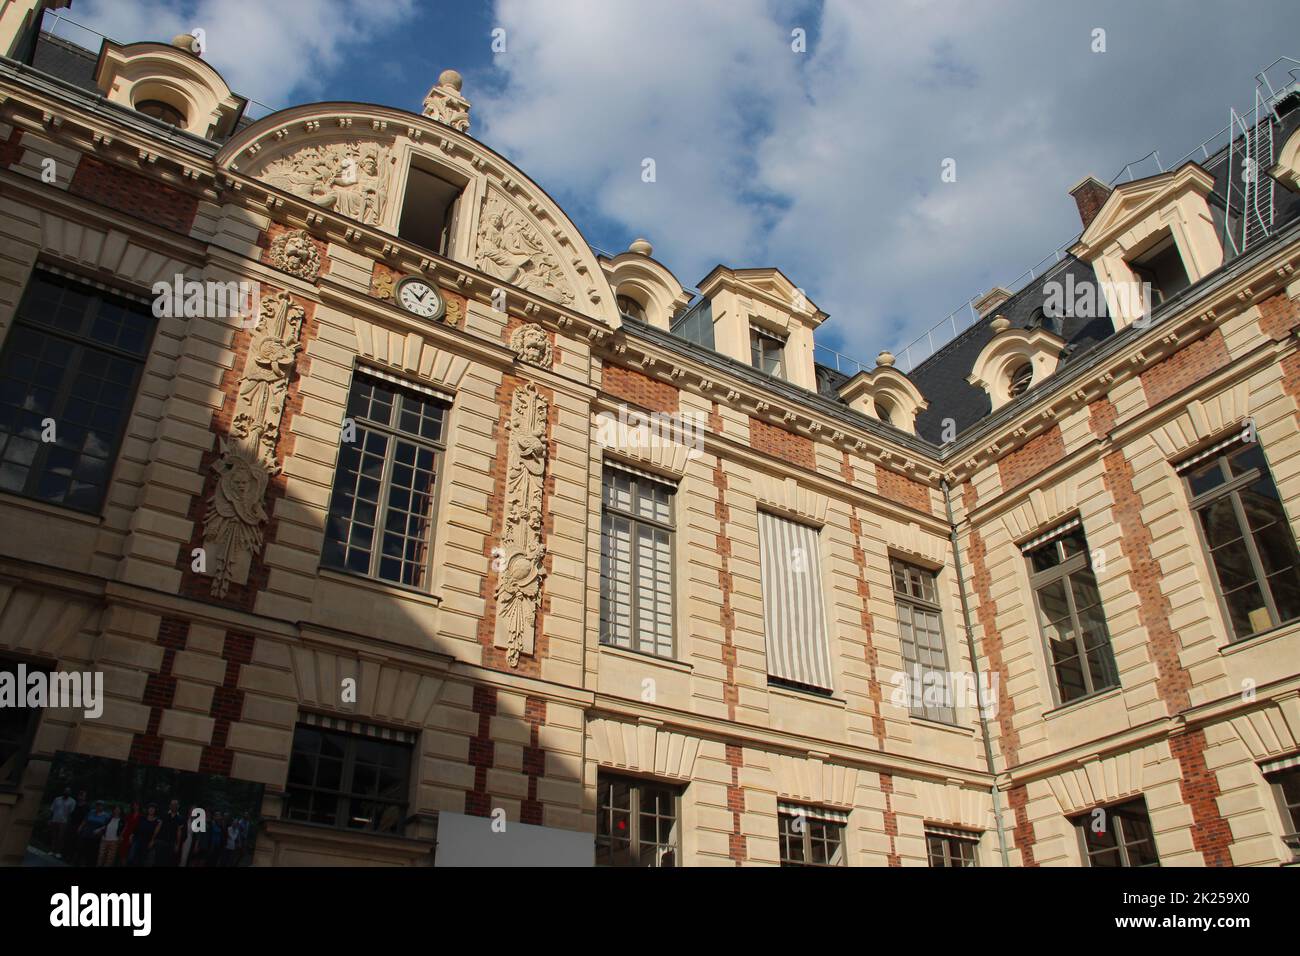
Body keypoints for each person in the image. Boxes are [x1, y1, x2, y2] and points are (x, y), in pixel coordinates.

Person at [77, 801, 110, 866]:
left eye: (100, 805)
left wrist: (100, 829)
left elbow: (107, 825)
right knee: (82, 850)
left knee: (92, 852)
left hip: (96, 837)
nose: (98, 807)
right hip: (86, 833)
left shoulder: (106, 815)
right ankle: (79, 863)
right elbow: (85, 820)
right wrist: (80, 827)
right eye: (97, 805)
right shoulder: (91, 812)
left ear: (103, 807)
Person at [153, 798, 183, 866]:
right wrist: (153, 839)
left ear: (178, 806)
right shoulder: (164, 814)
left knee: (167, 862)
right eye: (172, 804)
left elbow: (179, 832)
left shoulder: (180, 818)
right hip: (160, 841)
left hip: (171, 843)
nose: (174, 806)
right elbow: (158, 827)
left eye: (176, 804)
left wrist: (177, 845)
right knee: (157, 861)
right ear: (169, 806)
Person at [47, 788, 75, 859]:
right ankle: (52, 850)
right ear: (63, 792)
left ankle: (58, 852)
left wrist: (68, 823)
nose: (66, 792)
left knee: (61, 837)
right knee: (54, 836)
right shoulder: (57, 799)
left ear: (70, 793)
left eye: (68, 792)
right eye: (65, 791)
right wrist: (50, 819)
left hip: (64, 821)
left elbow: (71, 813)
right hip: (55, 819)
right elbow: (52, 809)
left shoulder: (72, 801)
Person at [63, 790, 88, 860]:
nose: (81, 797)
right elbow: (70, 814)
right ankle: (65, 855)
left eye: (83, 796)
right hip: (71, 823)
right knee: (68, 839)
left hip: (79, 825)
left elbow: (85, 818)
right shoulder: (75, 804)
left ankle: (70, 857)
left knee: (75, 841)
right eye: (80, 795)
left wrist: (81, 826)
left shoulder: (86, 806)